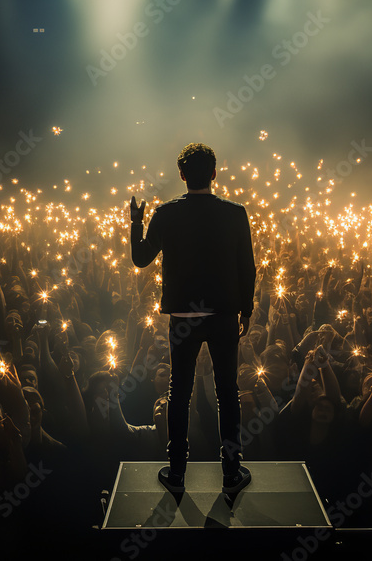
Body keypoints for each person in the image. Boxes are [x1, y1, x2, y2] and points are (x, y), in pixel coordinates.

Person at [129, 142, 257, 494]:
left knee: (179, 391)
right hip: (223, 314)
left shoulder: (166, 213)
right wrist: (245, 309)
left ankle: (177, 472)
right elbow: (247, 266)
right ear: (214, 173)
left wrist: (136, 221)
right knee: (227, 392)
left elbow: (141, 259)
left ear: (182, 175)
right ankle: (231, 471)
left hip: (184, 316)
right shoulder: (235, 213)